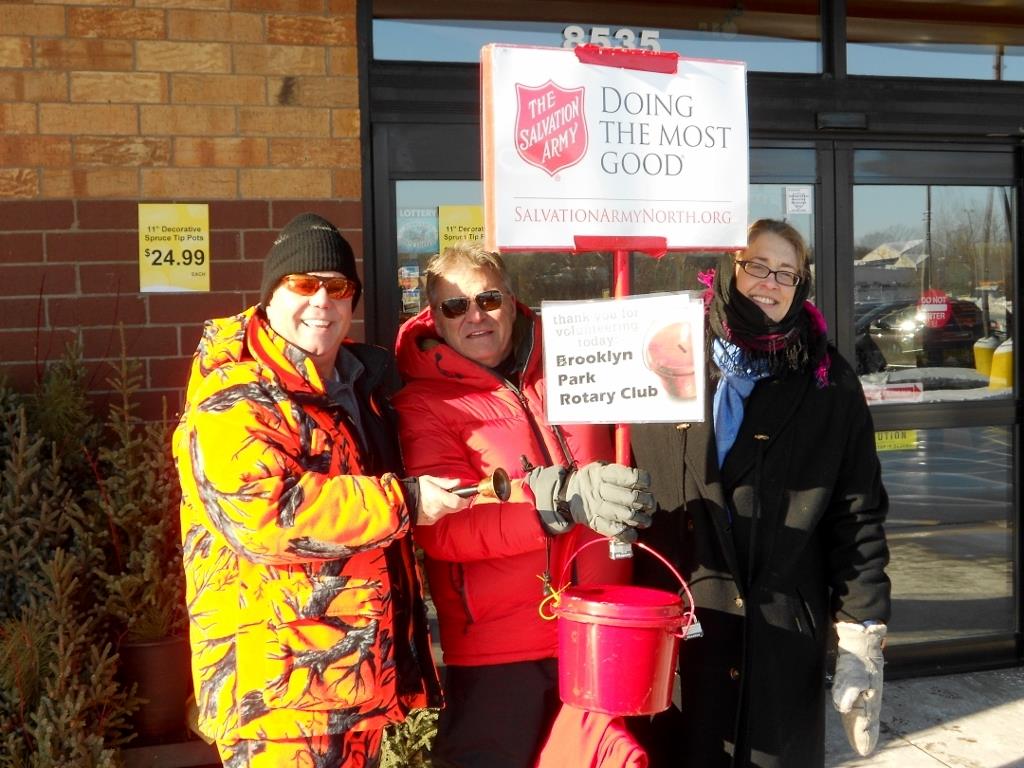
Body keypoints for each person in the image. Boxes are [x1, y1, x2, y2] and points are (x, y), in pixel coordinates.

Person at [173, 212, 469, 768]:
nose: (321, 302)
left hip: (351, 682)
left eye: (337, 288)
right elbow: (266, 517)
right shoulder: (236, 393)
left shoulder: (357, 387)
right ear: (269, 296)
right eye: (303, 285)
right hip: (281, 698)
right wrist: (404, 501)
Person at [630, 219, 891, 768]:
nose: (769, 283)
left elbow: (858, 514)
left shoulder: (829, 383)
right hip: (680, 629)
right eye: (756, 266)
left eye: (786, 274)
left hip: (779, 637)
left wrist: (861, 631)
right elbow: (620, 468)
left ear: (801, 287)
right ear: (728, 270)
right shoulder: (661, 357)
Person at [392, 243, 655, 768]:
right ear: (434, 320)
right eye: (454, 306)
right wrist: (557, 500)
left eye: (488, 299)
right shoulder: (423, 404)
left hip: (599, 627)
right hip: (500, 651)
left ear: (512, 302)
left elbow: (636, 439)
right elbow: (442, 529)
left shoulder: (571, 370)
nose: (475, 316)